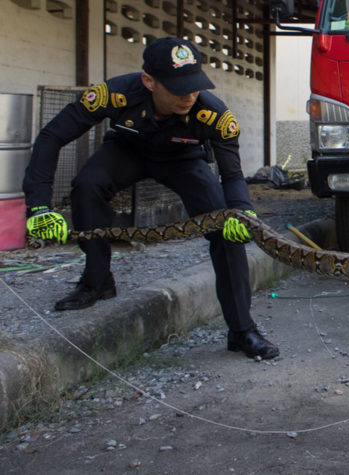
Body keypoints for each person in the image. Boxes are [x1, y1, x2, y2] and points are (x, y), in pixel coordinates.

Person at [23, 37, 279, 360]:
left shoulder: (215, 115)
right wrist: (39, 206)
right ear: (149, 81)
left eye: (195, 86)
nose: (189, 95)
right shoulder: (114, 94)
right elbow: (52, 136)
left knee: (228, 226)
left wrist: (243, 212)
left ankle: (242, 331)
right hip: (127, 149)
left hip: (184, 159)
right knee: (87, 187)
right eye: (178, 88)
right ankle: (97, 281)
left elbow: (232, 174)